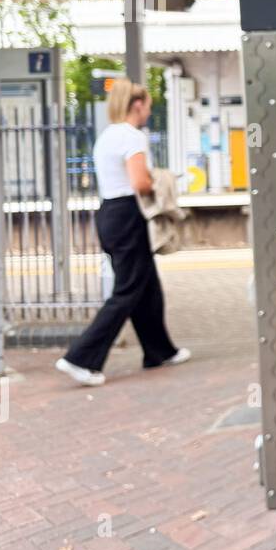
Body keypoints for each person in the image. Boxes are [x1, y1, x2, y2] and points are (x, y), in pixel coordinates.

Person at [55, 79, 189, 387]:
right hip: (128, 215)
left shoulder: (107, 136)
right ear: (138, 105)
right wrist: (163, 180)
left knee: (147, 288)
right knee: (128, 290)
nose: (148, 113)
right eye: (148, 107)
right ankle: (80, 358)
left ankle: (159, 351)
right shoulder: (132, 137)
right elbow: (139, 182)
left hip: (110, 214)